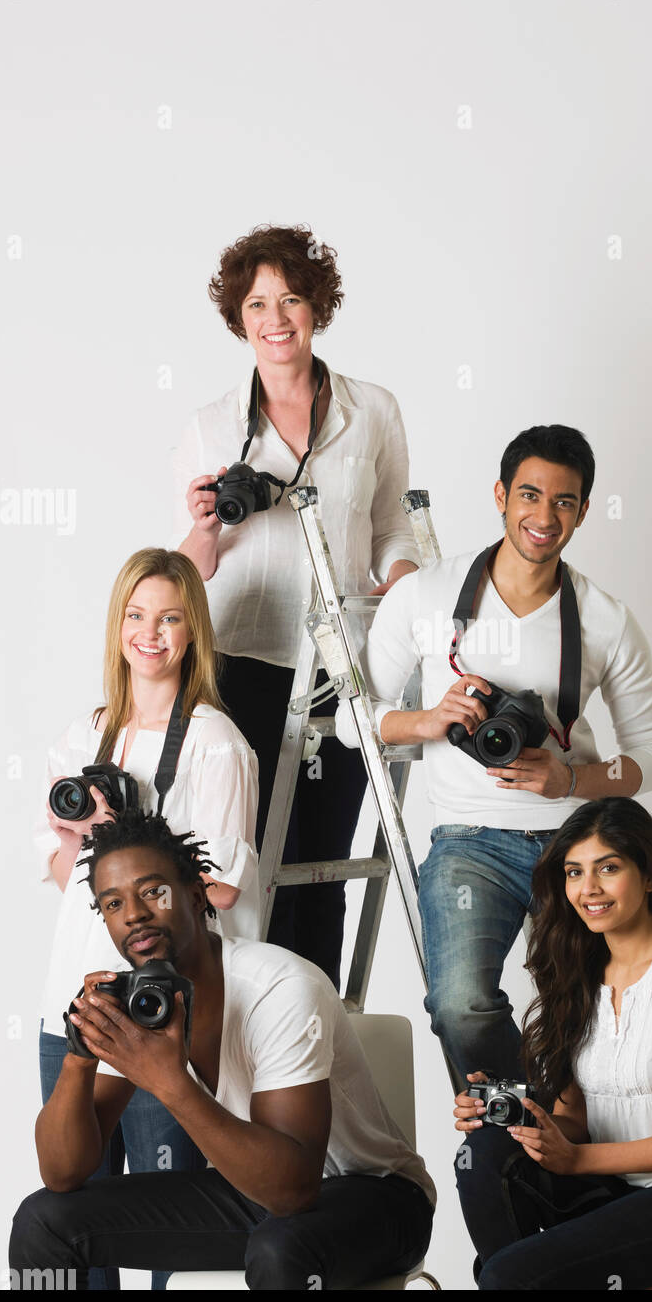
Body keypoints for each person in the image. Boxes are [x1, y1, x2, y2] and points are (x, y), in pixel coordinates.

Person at [336, 424, 652, 1081]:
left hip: (577, 845)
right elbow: (353, 721)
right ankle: (522, 1118)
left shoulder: (604, 619)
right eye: (529, 495)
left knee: (599, 1013)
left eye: (565, 501)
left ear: (583, 509)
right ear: (500, 494)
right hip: (470, 843)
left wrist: (572, 777)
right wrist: (429, 721)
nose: (544, 516)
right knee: (460, 1004)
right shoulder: (426, 595)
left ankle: (575, 1143)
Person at [11, 810, 435, 1291]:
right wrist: (79, 1056)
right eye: (112, 903)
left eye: (152, 891)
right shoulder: (137, 999)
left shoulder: (280, 986)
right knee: (42, 1220)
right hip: (256, 1194)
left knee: (280, 1248)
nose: (133, 914)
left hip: (376, 1199)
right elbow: (62, 1173)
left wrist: (168, 1083)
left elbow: (294, 1190)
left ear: (195, 896)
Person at [175, 224, 419, 988]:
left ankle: (320, 1049)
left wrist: (405, 582)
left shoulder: (371, 409)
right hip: (243, 663)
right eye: (257, 303)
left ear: (318, 306)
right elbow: (191, 572)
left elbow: (390, 526)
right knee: (251, 866)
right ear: (238, 318)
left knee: (326, 865)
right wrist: (203, 524)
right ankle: (259, 1033)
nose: (275, 318)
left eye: (290, 299)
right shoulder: (211, 425)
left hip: (343, 666)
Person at [36, 547, 259, 1287]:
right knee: (75, 1206)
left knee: (162, 1219)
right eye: (136, 616)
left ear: (193, 629)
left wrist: (133, 836)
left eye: (168, 618)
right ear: (117, 625)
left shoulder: (217, 743)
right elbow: (61, 871)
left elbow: (222, 890)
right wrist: (85, 836)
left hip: (163, 1005)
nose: (150, 634)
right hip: (76, 998)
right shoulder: (85, 734)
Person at [451, 798, 652, 1290]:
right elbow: (575, 1120)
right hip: (614, 1192)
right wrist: (518, 1118)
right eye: (574, 872)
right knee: (486, 1149)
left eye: (608, 868)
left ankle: (508, 1279)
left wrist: (578, 1161)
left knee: (510, 1275)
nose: (588, 889)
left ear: (649, 875)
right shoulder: (574, 974)